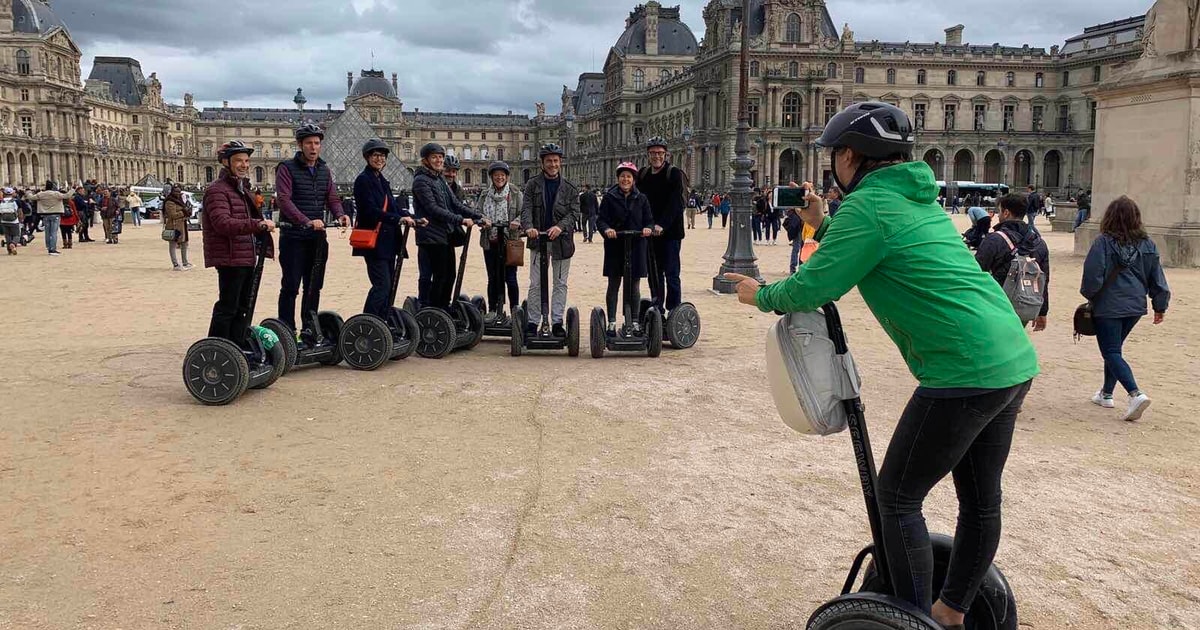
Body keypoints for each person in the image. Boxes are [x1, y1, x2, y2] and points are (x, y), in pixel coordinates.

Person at [724, 102, 1038, 629]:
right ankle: (950, 612)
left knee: (896, 497)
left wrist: (762, 295)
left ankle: (912, 620)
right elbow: (874, 247)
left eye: (834, 155)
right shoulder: (913, 197)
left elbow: (813, 286)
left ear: (850, 155)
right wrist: (823, 224)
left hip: (961, 369)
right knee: (980, 501)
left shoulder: (868, 205)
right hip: (1010, 357)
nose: (832, 165)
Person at [1080, 196, 1171, 421]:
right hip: (1135, 305)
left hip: (1109, 304)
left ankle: (1135, 394)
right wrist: (1160, 305)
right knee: (1115, 349)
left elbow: (1093, 275)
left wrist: (1090, 295)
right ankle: (1106, 394)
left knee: (1110, 351)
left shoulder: (1102, 242)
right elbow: (1157, 278)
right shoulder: (1148, 244)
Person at [274, 123, 349, 332]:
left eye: (317, 143)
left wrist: (340, 214)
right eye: (309, 143)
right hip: (294, 237)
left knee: (314, 285)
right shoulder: (286, 168)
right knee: (291, 286)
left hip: (317, 237)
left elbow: (332, 197)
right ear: (300, 145)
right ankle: (287, 330)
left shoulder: (324, 169)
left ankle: (309, 327)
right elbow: (284, 201)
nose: (313, 147)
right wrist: (306, 221)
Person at [203, 141, 276, 347]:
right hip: (229, 257)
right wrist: (257, 224)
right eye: (238, 161)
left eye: (246, 161)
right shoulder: (217, 191)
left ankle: (235, 346)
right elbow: (222, 223)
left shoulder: (240, 189)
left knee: (243, 306)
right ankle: (216, 349)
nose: (244, 165)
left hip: (244, 255)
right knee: (228, 307)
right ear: (226, 162)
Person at [413, 142, 487, 313]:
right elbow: (433, 209)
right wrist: (461, 220)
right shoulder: (420, 181)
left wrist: (478, 216)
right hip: (430, 236)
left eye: (441, 157)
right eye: (434, 157)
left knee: (449, 275)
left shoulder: (439, 179)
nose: (439, 160)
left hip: (444, 235)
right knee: (439, 276)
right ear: (425, 160)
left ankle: (443, 308)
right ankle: (434, 311)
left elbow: (454, 203)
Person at [352, 139, 419, 319]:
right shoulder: (363, 180)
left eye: (382, 155)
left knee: (390, 286)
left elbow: (393, 207)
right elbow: (369, 211)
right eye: (375, 155)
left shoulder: (382, 180)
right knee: (382, 285)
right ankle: (368, 322)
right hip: (375, 243)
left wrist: (412, 218)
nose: (380, 159)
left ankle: (382, 320)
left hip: (388, 242)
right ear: (367, 157)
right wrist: (398, 219)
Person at [520, 143, 580, 338]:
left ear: (560, 162)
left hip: (561, 242)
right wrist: (529, 227)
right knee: (535, 283)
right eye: (549, 161)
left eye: (555, 161)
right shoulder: (532, 185)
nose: (552, 164)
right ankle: (532, 321)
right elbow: (526, 208)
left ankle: (557, 322)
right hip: (538, 240)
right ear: (542, 163)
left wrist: (560, 226)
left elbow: (574, 213)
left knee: (560, 283)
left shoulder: (570, 188)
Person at [975, 193, 1050, 331]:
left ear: (1006, 213)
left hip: (996, 303)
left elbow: (976, 274)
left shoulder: (994, 239)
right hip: (1025, 304)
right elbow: (1043, 280)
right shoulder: (1039, 243)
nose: (998, 215)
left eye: (999, 211)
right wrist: (1042, 311)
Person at [596, 162, 653, 333]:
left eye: (629, 176)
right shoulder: (609, 198)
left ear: (633, 180)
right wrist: (607, 229)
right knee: (614, 284)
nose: (625, 179)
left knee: (634, 285)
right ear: (618, 178)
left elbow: (649, 220)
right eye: (622, 176)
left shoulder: (642, 198)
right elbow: (601, 220)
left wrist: (647, 228)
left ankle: (634, 321)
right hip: (615, 246)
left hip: (636, 246)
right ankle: (611, 321)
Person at [637, 136, 687, 314]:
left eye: (659, 153)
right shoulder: (643, 174)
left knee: (672, 273)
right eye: (653, 153)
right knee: (654, 273)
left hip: (671, 233)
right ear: (648, 155)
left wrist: (661, 225)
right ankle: (657, 306)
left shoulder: (673, 173)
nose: (656, 156)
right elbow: (638, 201)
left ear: (666, 154)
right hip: (650, 233)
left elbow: (675, 203)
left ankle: (673, 309)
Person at [477, 161, 522, 321]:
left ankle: (514, 310)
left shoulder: (515, 193)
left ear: (507, 177)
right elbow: (477, 212)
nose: (499, 178)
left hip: (510, 242)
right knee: (493, 277)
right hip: (490, 241)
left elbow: (524, 212)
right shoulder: (484, 194)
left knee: (511, 278)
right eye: (496, 175)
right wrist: (483, 219)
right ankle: (493, 309)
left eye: (502, 175)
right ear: (491, 177)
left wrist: (517, 221)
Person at [34, 182, 72, 256]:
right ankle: (52, 248)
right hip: (56, 214)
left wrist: (28, 192)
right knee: (53, 232)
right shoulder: (56, 194)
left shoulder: (41, 194)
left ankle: (48, 246)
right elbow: (67, 196)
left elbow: (31, 197)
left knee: (47, 232)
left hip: (45, 214)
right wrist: (72, 189)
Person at [163, 184, 194, 271]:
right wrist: (183, 212)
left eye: (179, 192)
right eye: (176, 191)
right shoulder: (169, 202)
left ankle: (185, 262)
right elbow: (172, 215)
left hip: (182, 225)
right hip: (173, 226)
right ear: (172, 192)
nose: (178, 193)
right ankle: (175, 264)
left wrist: (188, 212)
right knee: (173, 245)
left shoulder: (179, 200)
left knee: (184, 243)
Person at [1, 188, 21, 255]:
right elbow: (19, 211)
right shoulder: (16, 201)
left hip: (4, 220)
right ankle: (13, 243)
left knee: (7, 236)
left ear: (4, 193)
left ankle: (9, 250)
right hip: (14, 220)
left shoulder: (1, 201)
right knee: (17, 235)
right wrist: (21, 219)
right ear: (12, 193)